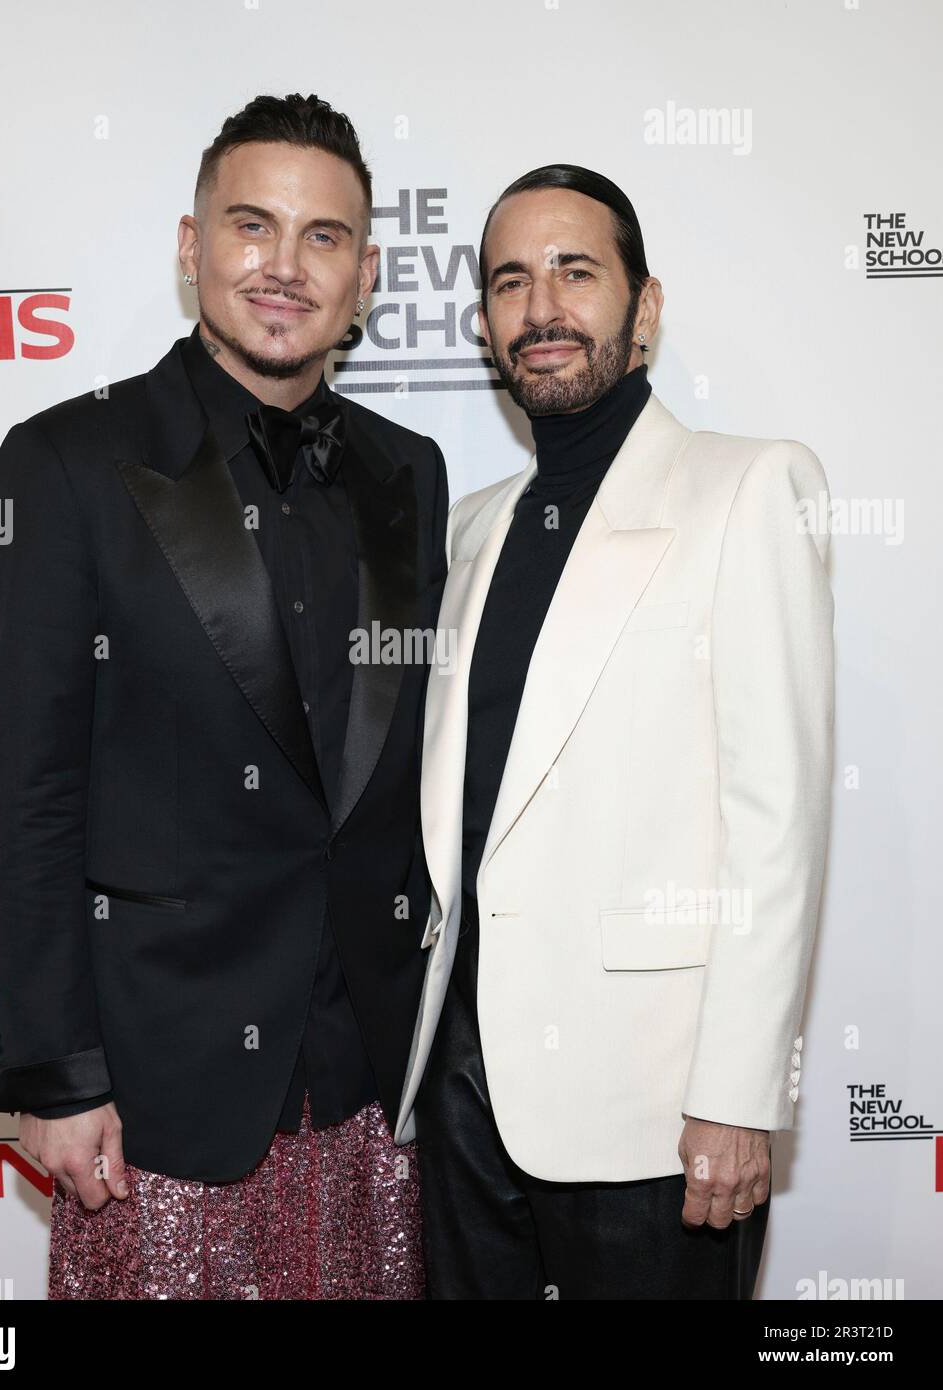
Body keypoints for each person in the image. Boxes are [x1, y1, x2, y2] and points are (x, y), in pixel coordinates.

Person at [0, 93, 448, 1300]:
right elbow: (24, 792)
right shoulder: (67, 460)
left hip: (365, 1086)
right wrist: (54, 1072)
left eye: (323, 237)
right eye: (251, 226)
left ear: (366, 273)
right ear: (192, 250)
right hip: (155, 1096)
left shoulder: (411, 473)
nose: (284, 267)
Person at [396, 164, 834, 1299]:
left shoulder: (745, 489)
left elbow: (774, 820)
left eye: (573, 271)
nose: (539, 306)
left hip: (649, 1106)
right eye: (508, 280)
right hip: (459, 1089)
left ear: (642, 309)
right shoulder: (472, 529)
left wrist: (737, 1096)